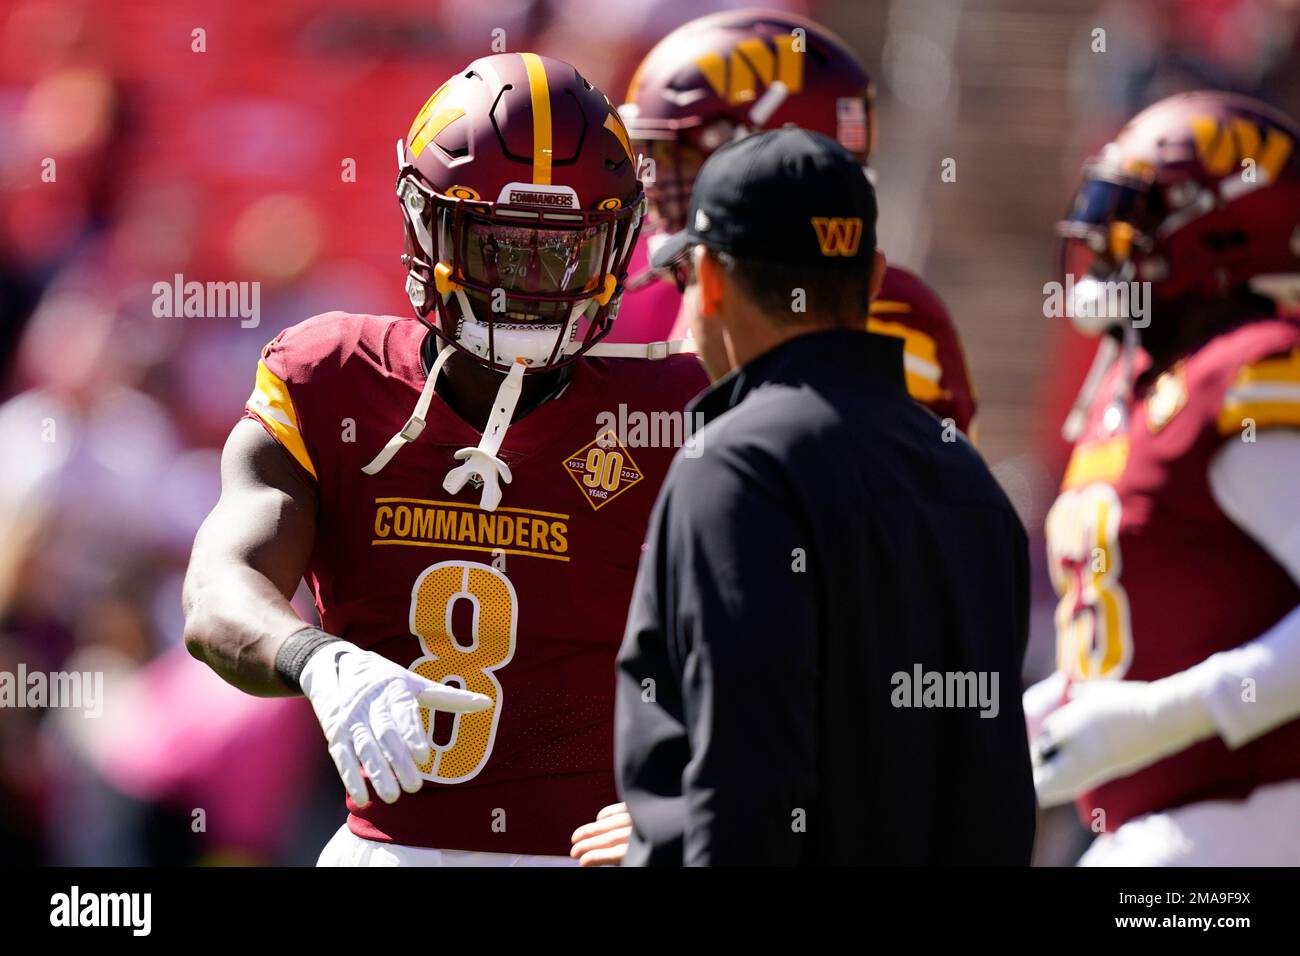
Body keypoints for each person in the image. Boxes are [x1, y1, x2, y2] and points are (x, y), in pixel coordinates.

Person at [182, 52, 707, 867]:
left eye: (565, 251)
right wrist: (320, 662)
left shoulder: (669, 410)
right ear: (427, 228)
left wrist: (707, 795)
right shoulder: (329, 378)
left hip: (596, 853)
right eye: (501, 248)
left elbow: (793, 637)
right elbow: (217, 595)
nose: (534, 285)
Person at [599, 128, 1035, 866]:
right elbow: (991, 798)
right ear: (872, 279)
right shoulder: (970, 478)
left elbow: (747, 788)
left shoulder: (737, 466)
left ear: (707, 279)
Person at [1026, 91, 1300, 865]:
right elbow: (1130, 646)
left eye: (1133, 219)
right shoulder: (1142, 392)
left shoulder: (1244, 374)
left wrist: (1161, 717)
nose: (1106, 245)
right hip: (1174, 828)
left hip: (1252, 818)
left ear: (1225, 234)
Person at [607, 8, 979, 438]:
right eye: (653, 154)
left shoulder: (885, 312)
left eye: (679, 154)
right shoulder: (691, 286)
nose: (655, 182)